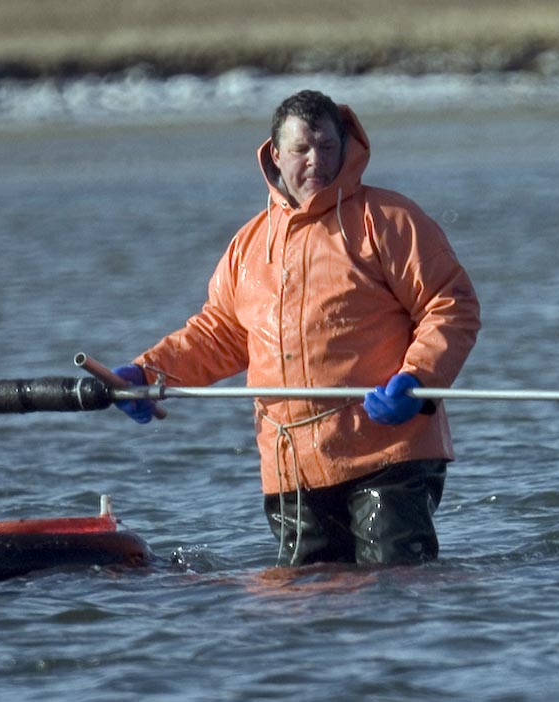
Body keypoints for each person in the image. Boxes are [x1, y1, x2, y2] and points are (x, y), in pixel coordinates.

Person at [112, 89, 480, 567]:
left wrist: (417, 379)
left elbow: (451, 306)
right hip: (291, 468)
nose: (317, 162)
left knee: (396, 591)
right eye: (302, 150)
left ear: (345, 148)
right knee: (303, 605)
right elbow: (220, 334)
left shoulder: (388, 220)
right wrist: (149, 373)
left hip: (390, 452)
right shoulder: (249, 245)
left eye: (327, 147)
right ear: (276, 155)